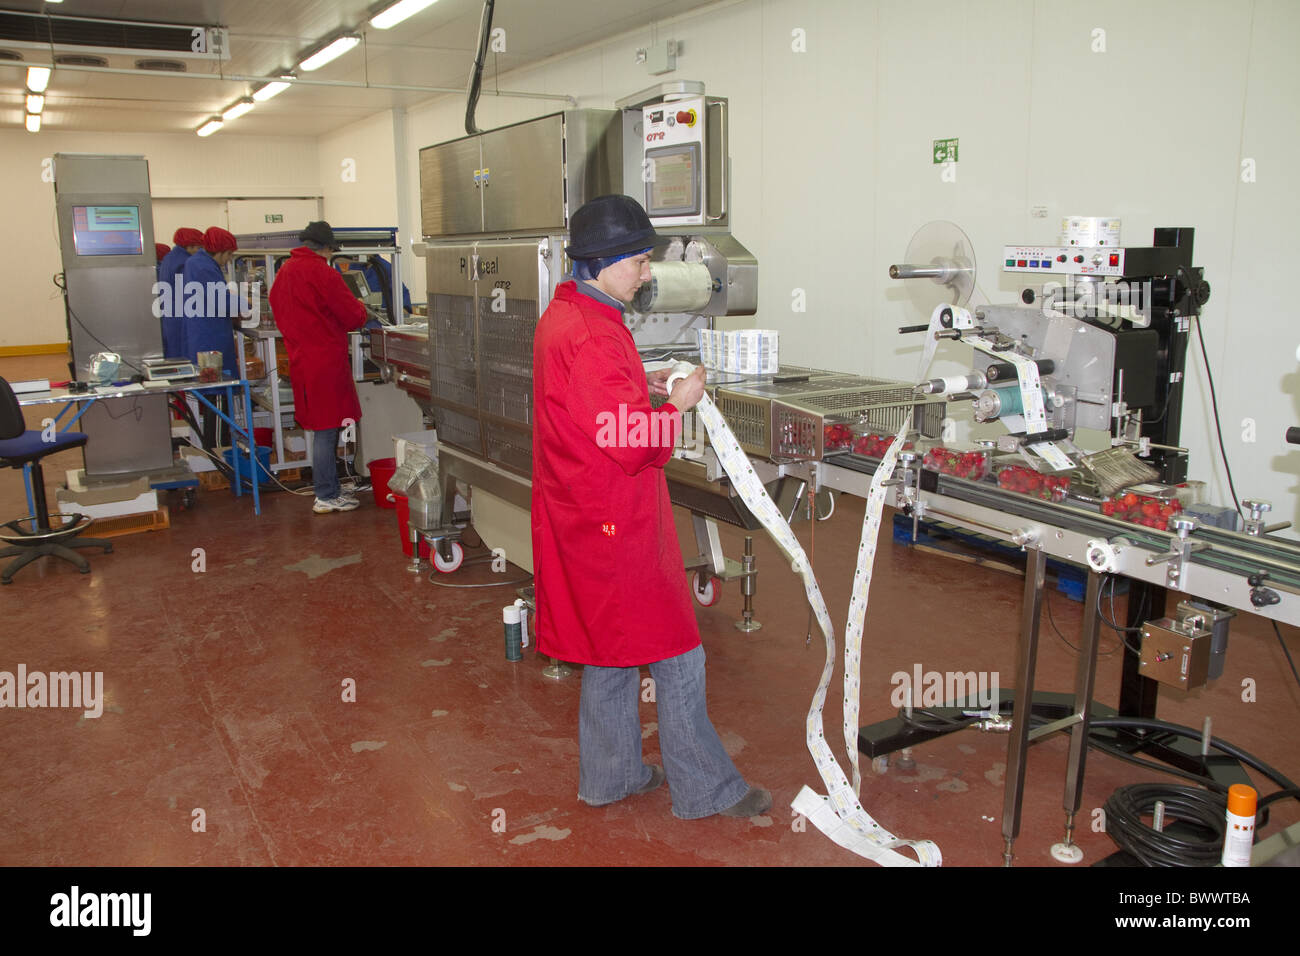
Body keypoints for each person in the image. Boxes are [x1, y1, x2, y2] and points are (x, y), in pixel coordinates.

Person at [531, 194, 771, 820]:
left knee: (609, 650)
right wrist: (678, 404)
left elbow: (600, 404)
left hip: (583, 510)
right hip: (615, 520)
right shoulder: (591, 334)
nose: (645, 274)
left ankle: (610, 777)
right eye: (638, 262)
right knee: (677, 650)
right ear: (603, 263)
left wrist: (645, 384)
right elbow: (628, 442)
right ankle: (706, 790)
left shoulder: (571, 315)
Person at [268, 221, 367, 515]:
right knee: (327, 429)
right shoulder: (323, 272)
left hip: (300, 358)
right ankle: (326, 493)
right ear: (326, 248)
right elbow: (352, 316)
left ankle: (330, 485)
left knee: (321, 426)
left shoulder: (284, 271)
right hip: (325, 360)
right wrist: (362, 309)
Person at [182, 226, 247, 448]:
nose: (228, 259)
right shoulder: (203, 266)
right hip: (210, 342)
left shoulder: (198, 263)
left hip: (205, 335)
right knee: (217, 396)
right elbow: (221, 301)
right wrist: (248, 305)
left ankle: (215, 446)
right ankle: (217, 451)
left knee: (213, 399)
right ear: (218, 250)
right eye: (228, 254)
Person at [158, 227, 203, 357]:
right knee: (183, 358)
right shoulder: (184, 262)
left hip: (170, 317)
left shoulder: (169, 258)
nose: (199, 252)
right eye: (199, 248)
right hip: (181, 318)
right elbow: (192, 292)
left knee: (174, 356)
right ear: (189, 246)